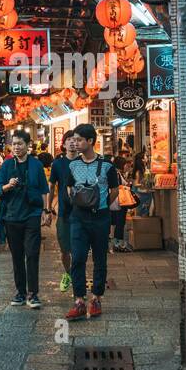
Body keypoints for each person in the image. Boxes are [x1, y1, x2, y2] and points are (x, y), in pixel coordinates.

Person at [64, 124, 120, 320]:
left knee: (99, 258)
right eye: (74, 139)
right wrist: (78, 202)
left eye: (79, 140)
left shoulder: (107, 166)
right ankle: (79, 300)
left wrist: (101, 204)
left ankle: (96, 298)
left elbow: (115, 190)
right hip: (78, 218)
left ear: (90, 141)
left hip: (100, 217)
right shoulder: (73, 165)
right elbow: (69, 187)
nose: (75, 143)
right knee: (77, 257)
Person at [0, 130, 49, 308]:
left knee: (32, 254)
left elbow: (43, 189)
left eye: (20, 144)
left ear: (28, 145)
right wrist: (8, 186)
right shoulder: (7, 165)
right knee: (17, 256)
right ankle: (20, 292)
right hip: (12, 215)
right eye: (14, 143)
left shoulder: (36, 165)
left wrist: (46, 210)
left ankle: (33, 294)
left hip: (32, 214)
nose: (16, 147)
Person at [49, 130, 81, 291]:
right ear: (63, 144)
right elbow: (52, 186)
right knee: (64, 249)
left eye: (75, 140)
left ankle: (76, 275)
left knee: (78, 248)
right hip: (63, 211)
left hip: (81, 212)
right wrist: (48, 209)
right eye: (69, 140)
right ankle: (68, 273)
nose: (72, 142)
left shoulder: (84, 161)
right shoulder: (58, 164)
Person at [110, 156, 138, 252]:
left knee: (119, 224)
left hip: (117, 202)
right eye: (126, 164)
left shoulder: (116, 172)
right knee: (120, 224)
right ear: (122, 164)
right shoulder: (116, 173)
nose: (127, 166)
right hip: (119, 202)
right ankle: (118, 245)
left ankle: (116, 244)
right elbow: (120, 186)